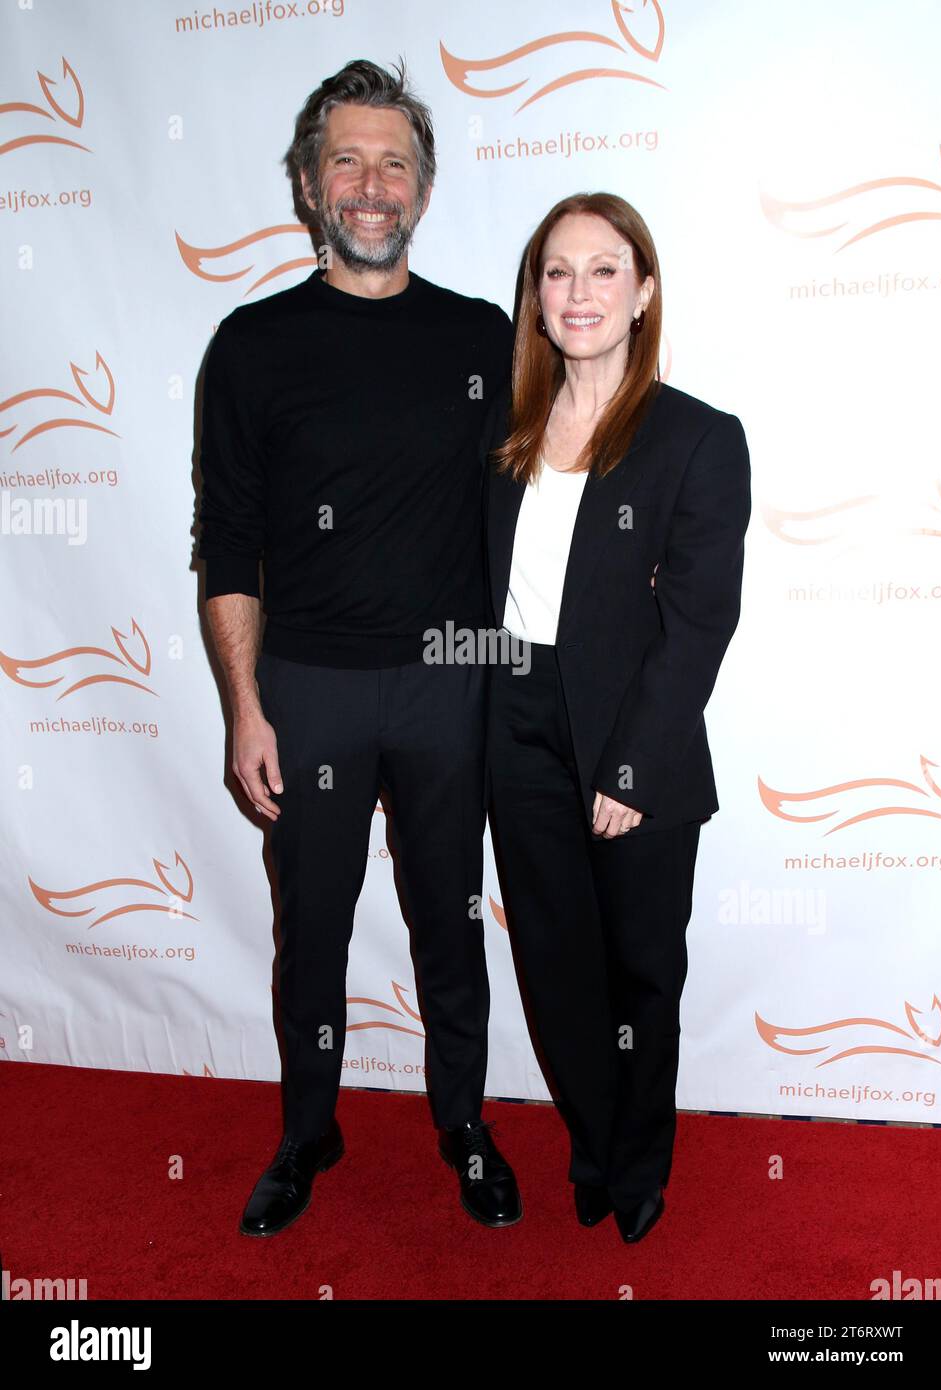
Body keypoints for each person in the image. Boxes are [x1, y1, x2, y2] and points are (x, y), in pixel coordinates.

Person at [197, 58, 521, 1237]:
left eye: (393, 162)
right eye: (348, 159)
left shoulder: (483, 338)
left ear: (423, 190)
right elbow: (227, 541)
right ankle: (307, 1130)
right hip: (311, 686)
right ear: (307, 182)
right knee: (314, 930)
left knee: (450, 915)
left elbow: (533, 511)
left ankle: (464, 1123)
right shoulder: (251, 345)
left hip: (448, 682)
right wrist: (245, 704)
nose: (370, 184)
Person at [482, 192, 751, 1243]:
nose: (578, 291)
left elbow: (695, 627)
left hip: (633, 729)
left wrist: (630, 768)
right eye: (557, 271)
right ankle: (592, 1139)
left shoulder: (694, 438)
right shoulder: (502, 431)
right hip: (514, 718)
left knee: (640, 970)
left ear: (640, 293)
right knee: (550, 961)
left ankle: (636, 1167)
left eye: (603, 270)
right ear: (535, 298)